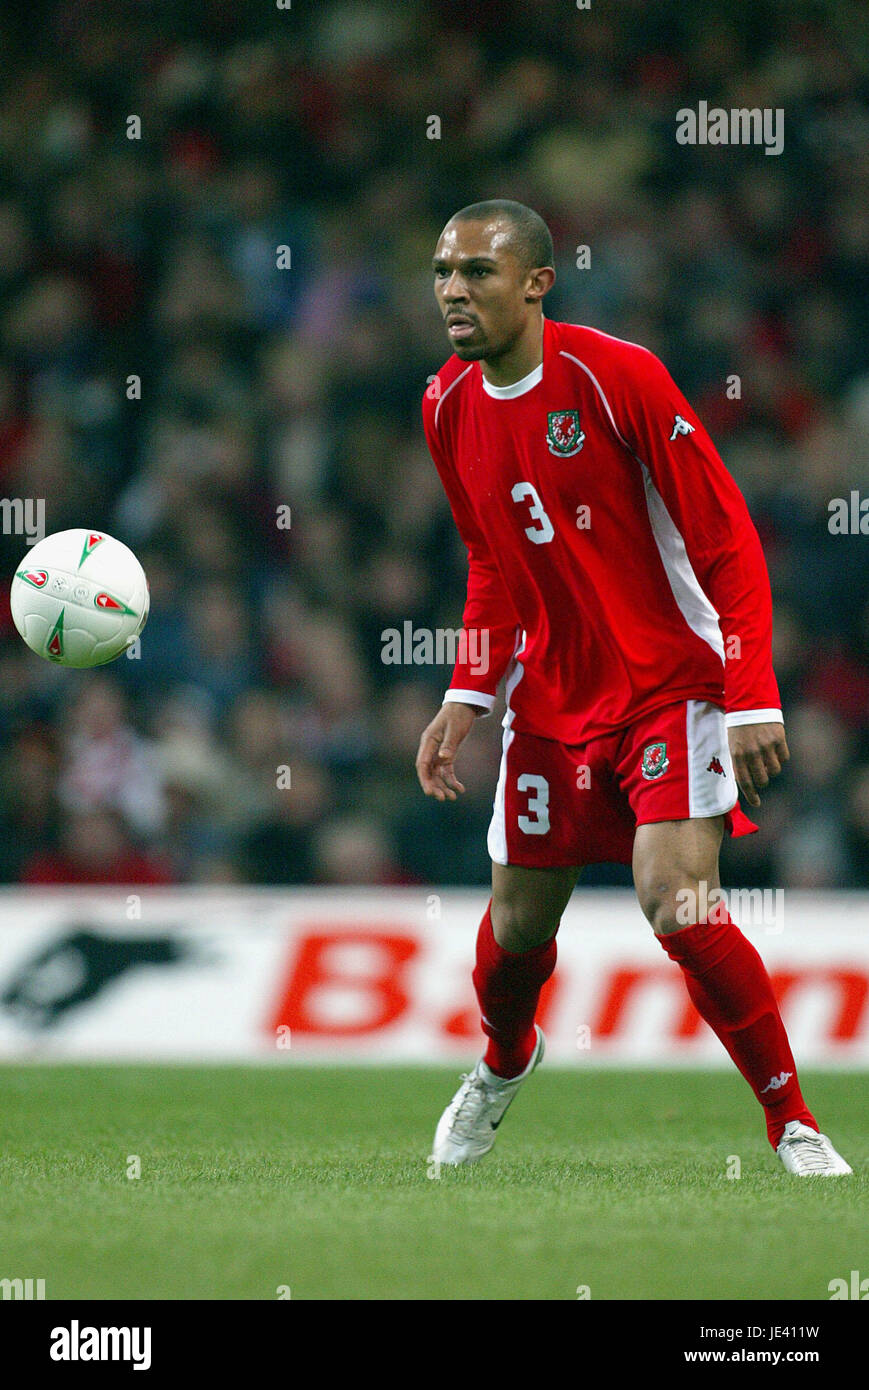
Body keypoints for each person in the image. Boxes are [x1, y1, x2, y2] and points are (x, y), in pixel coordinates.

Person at [416, 199, 850, 1177]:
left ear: (535, 283)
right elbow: (488, 560)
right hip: (549, 699)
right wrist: (468, 694)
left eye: (477, 271)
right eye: (442, 271)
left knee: (675, 899)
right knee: (520, 922)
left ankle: (790, 1120)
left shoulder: (615, 376)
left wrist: (748, 692)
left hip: (668, 682)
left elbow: (725, 539)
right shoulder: (444, 403)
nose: (451, 288)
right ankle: (499, 1064)